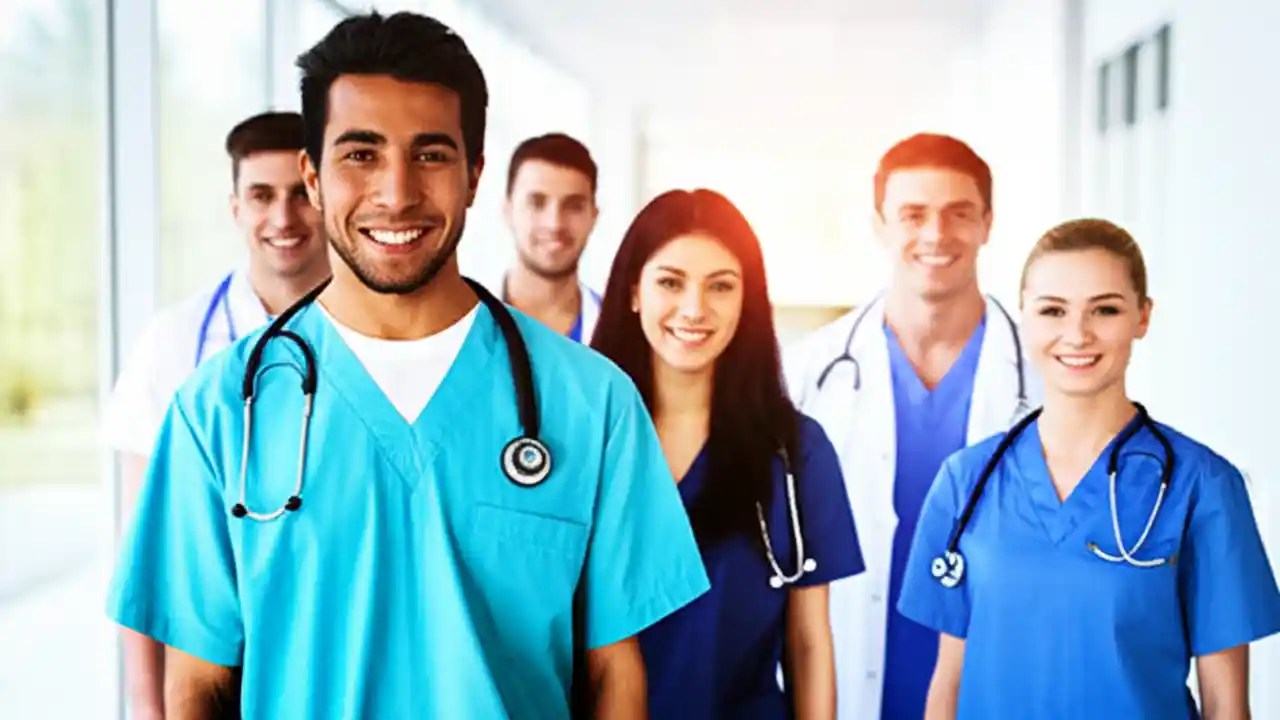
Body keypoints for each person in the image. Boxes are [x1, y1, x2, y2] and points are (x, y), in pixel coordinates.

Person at [105, 12, 708, 719]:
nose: (396, 193)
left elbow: (614, 677)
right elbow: (198, 687)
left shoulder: (593, 404)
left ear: (475, 176)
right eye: (361, 154)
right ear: (314, 176)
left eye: (430, 155)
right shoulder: (217, 411)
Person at [897, 218, 1280, 718]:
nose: (1076, 335)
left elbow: (1227, 706)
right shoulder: (967, 481)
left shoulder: (1202, 485)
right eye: (1053, 310)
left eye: (1105, 309)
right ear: (1026, 319)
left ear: (1143, 317)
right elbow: (949, 679)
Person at [782, 132, 1042, 720]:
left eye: (958, 213)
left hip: (1000, 685)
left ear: (988, 222)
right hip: (847, 682)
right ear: (880, 224)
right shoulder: (809, 373)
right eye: (912, 215)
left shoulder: (1046, 374)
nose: (935, 235)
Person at [592, 188, 864, 718]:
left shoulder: (795, 454)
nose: (695, 309)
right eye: (670, 282)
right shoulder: (585, 442)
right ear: (633, 292)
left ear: (748, 301)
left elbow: (809, 641)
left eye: (721, 286)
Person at [104, 109, 329, 718]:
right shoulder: (173, 344)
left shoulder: (378, 337)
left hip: (337, 660)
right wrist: (146, 706)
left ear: (326, 197)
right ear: (236, 207)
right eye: (261, 195)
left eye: (299, 195)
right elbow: (140, 552)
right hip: (210, 669)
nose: (282, 218)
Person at [498, 132, 602, 342]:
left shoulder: (617, 330)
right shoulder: (459, 324)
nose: (554, 224)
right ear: (508, 210)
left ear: (593, 216)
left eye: (573, 206)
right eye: (537, 203)